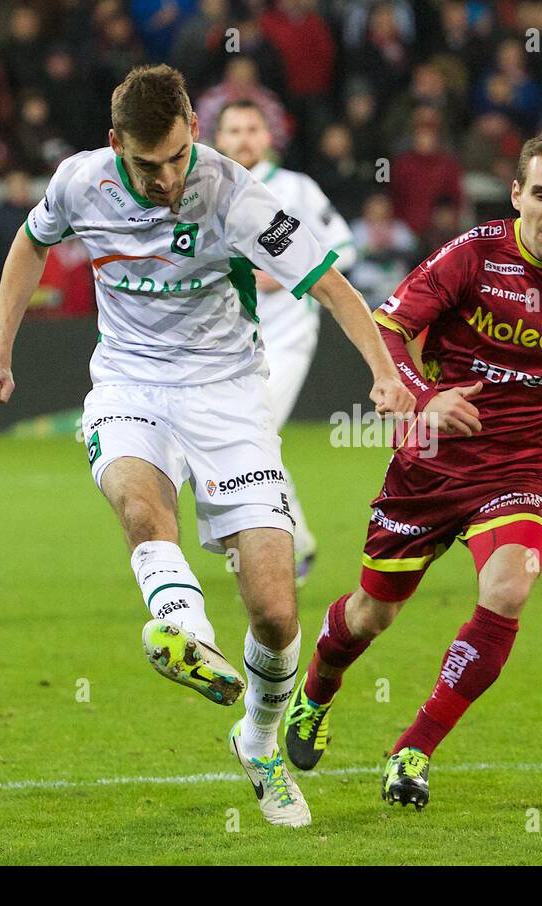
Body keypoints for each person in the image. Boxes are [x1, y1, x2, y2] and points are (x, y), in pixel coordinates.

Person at [0, 65, 412, 828]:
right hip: (129, 386)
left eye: (178, 157)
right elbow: (28, 243)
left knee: (274, 611)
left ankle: (258, 739)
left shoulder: (239, 196)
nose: (168, 177)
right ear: (116, 148)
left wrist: (385, 374)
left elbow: (332, 285)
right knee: (143, 509)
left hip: (229, 397)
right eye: (148, 164)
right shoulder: (79, 184)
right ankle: (184, 633)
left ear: (194, 134)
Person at [281, 129, 542, 810]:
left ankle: (413, 751)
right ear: (517, 195)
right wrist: (425, 396)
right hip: (432, 465)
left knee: (508, 589)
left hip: (528, 467)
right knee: (371, 615)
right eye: (541, 194)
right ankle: (315, 693)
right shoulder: (472, 256)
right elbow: (389, 328)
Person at [213, 99, 357, 585]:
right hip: (230, 341)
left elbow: (346, 246)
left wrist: (292, 272)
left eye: (252, 128)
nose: (244, 138)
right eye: (233, 130)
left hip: (289, 335)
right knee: (247, 440)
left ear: (268, 135)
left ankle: (282, 546)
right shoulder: (211, 189)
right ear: (218, 137)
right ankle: (297, 540)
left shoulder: (296, 187)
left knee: (251, 435)